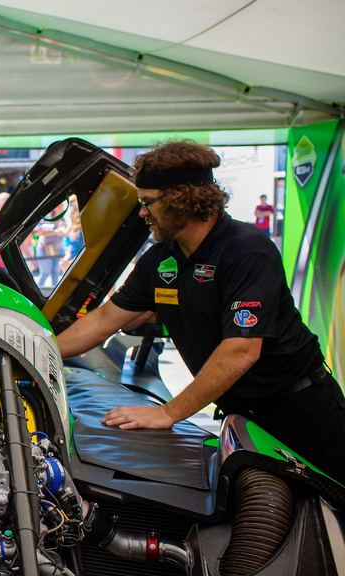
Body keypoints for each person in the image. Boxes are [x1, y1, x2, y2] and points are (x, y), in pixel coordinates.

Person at [56, 140, 345, 484]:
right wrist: (38, 351)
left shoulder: (246, 249)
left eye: (148, 202)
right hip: (243, 416)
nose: (142, 212)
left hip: (302, 412)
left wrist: (168, 413)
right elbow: (105, 319)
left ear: (182, 198)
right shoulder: (161, 260)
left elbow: (241, 350)